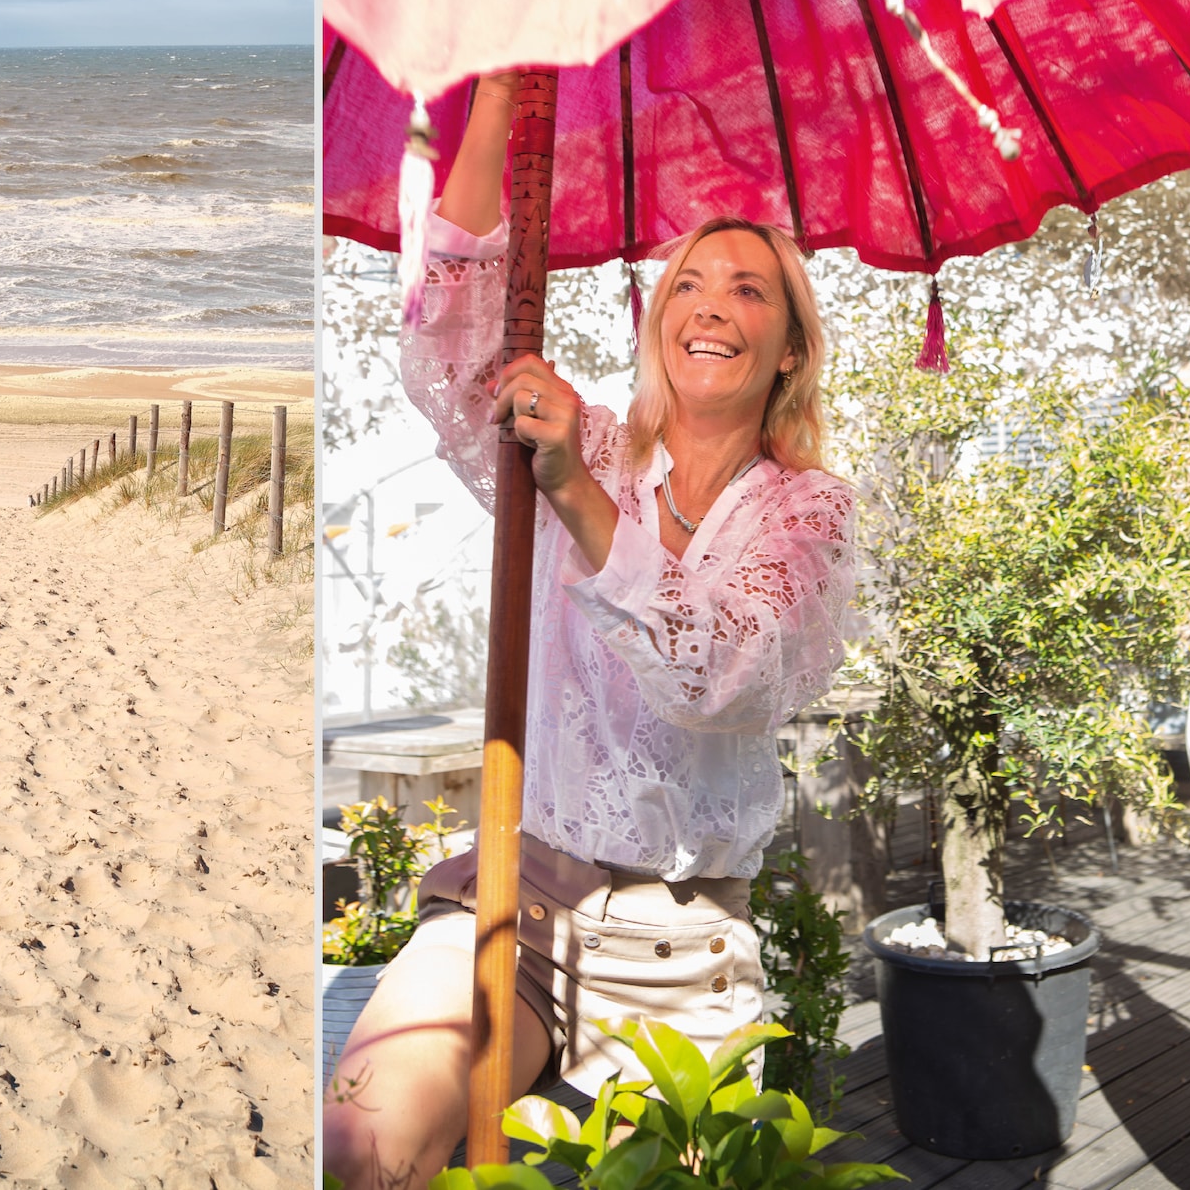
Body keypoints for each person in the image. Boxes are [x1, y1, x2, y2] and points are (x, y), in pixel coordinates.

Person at [324, 74, 857, 1190]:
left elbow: (718, 674)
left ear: (787, 348)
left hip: (681, 952)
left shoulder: (806, 514)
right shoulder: (594, 444)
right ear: (657, 324)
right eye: (686, 284)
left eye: (747, 289)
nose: (708, 306)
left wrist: (571, 492)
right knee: (360, 1144)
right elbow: (446, 353)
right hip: (516, 903)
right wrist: (495, 96)